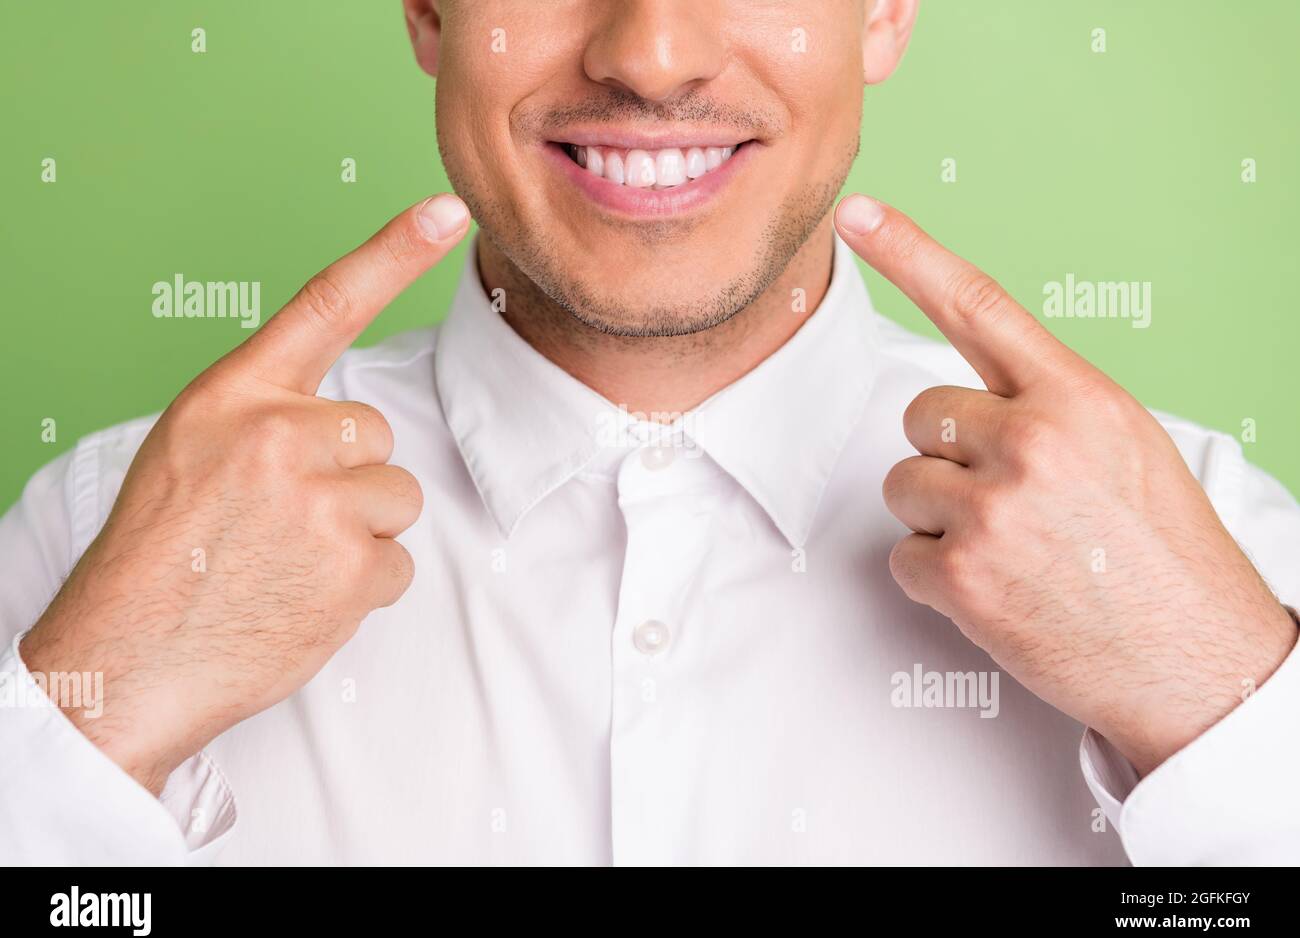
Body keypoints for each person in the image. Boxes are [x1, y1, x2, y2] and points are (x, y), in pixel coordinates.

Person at [1, 0, 1296, 865]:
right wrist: (82, 729)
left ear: (887, 9)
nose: (650, 54)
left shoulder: (1215, 547)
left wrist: (1220, 707)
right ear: (426, 12)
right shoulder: (101, 536)